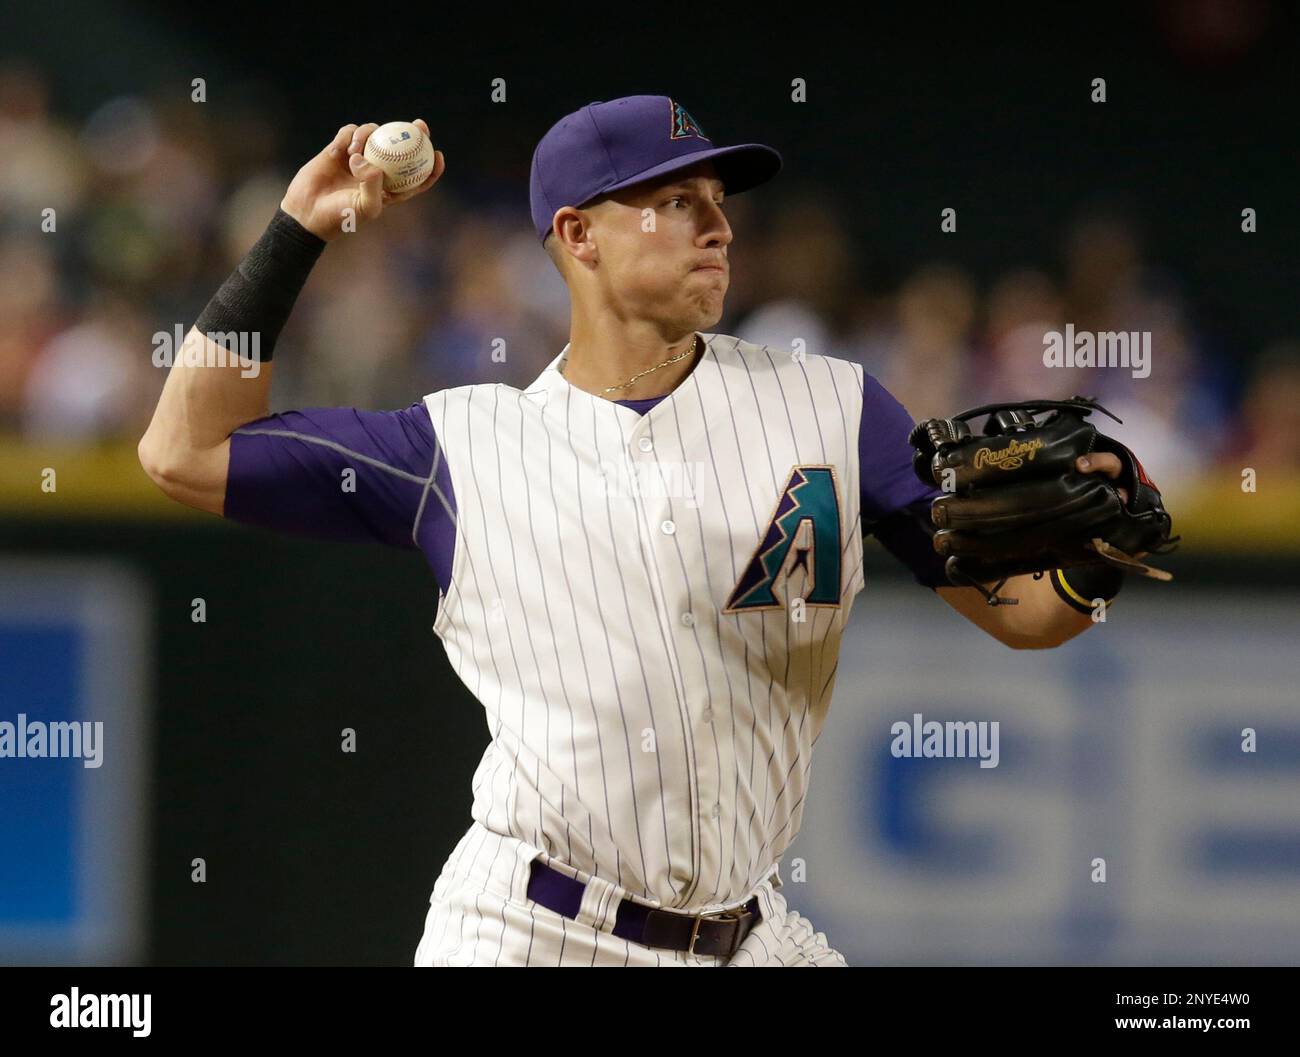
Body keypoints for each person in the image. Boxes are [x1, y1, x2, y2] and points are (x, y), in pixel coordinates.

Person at [138, 95, 1138, 966]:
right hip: (529, 931)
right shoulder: (460, 449)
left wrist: (1095, 563)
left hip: (746, 934)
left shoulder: (834, 409)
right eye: (676, 204)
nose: (719, 229)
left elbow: (1022, 615)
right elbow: (182, 451)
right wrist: (296, 233)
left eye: (719, 206)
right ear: (579, 236)